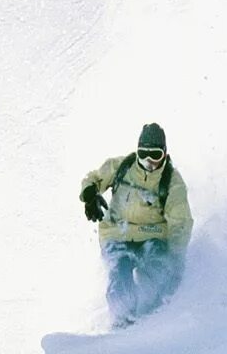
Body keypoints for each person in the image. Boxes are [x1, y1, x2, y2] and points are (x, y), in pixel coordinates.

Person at [79, 122, 193, 325]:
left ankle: (151, 320)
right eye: (143, 154)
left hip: (153, 236)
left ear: (165, 155)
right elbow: (93, 179)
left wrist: (176, 257)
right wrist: (90, 196)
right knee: (120, 274)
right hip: (117, 235)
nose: (149, 162)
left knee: (155, 276)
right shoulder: (121, 167)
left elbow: (180, 223)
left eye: (155, 155)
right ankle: (122, 319)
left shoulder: (172, 182)